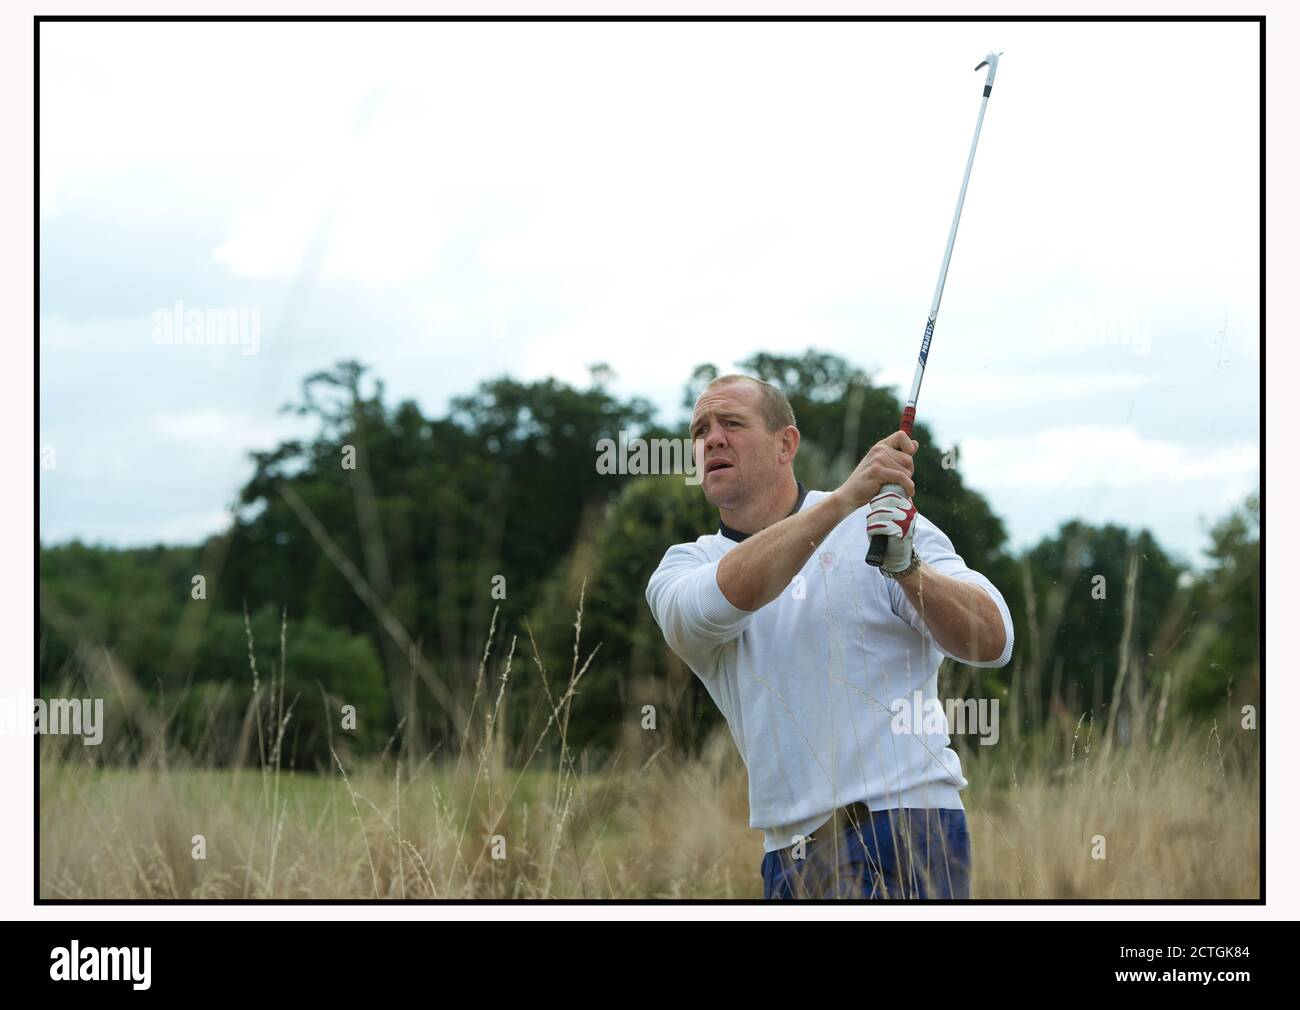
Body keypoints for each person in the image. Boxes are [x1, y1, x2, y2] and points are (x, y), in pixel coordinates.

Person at [645, 374, 1014, 899]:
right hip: (794, 855)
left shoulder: (883, 522)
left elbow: (994, 640)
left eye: (731, 423)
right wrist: (843, 501)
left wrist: (909, 569)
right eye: (700, 430)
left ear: (786, 444)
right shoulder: (685, 567)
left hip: (913, 825)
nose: (712, 439)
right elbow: (727, 595)